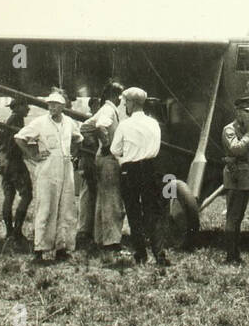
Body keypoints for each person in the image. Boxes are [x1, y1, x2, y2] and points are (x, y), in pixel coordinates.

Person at [14, 89, 82, 263]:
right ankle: (40, 249)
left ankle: (62, 248)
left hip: (66, 169)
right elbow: (20, 138)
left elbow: (78, 139)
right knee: (45, 207)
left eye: (56, 104)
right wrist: (32, 155)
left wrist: (73, 155)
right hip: (47, 170)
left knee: (66, 208)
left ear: (63, 106)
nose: (52, 107)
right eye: (50, 104)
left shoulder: (69, 123)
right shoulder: (39, 123)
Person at [110, 86, 169, 266]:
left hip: (131, 170)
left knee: (134, 212)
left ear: (131, 103)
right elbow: (157, 147)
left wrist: (125, 159)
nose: (125, 104)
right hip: (151, 168)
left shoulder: (125, 125)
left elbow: (114, 149)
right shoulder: (154, 123)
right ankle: (159, 254)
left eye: (126, 101)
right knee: (153, 212)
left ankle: (140, 254)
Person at [79, 81, 126, 255]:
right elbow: (100, 126)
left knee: (103, 199)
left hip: (103, 158)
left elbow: (85, 127)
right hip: (109, 159)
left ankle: (100, 238)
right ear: (115, 96)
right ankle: (112, 242)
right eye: (120, 96)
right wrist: (106, 144)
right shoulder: (108, 109)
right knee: (112, 200)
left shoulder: (106, 109)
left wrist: (95, 142)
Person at [220, 97, 249, 265]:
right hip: (235, 176)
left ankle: (235, 254)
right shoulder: (229, 129)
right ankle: (230, 256)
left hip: (244, 176)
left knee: (238, 216)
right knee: (233, 217)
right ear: (238, 112)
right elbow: (235, 149)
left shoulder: (244, 129)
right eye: (246, 112)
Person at [0, 98, 33, 249]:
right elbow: (18, 142)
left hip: (4, 164)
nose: (28, 109)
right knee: (27, 194)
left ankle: (9, 233)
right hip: (14, 163)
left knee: (9, 196)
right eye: (26, 105)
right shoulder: (17, 120)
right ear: (19, 107)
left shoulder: (7, 121)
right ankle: (17, 232)